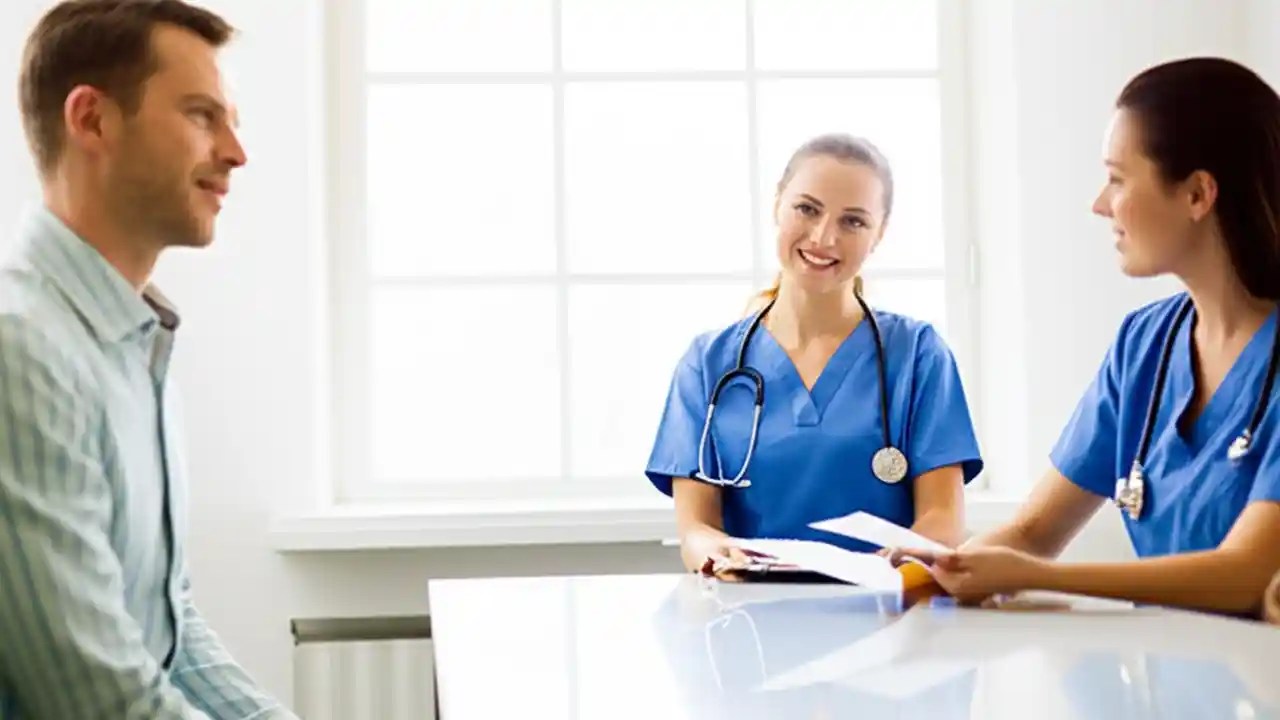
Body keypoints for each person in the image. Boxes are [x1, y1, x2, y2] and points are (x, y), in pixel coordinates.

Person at [890, 57, 1280, 617]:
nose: (1101, 204)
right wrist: (927, 574)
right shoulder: (1144, 345)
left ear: (1197, 194)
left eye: (1118, 179)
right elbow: (1030, 531)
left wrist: (1045, 578)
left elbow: (1246, 574)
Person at [0, 1, 295, 718]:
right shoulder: (21, 353)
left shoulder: (134, 339)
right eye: (202, 115)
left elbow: (168, 631)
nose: (235, 151)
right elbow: (94, 697)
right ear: (92, 119)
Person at [645, 133, 984, 578]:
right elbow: (697, 528)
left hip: (886, 620)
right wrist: (717, 552)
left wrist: (907, 555)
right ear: (776, 206)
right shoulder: (709, 363)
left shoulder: (919, 356)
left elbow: (943, 520)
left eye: (854, 222)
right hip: (749, 620)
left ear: (879, 234)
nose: (824, 236)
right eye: (807, 209)